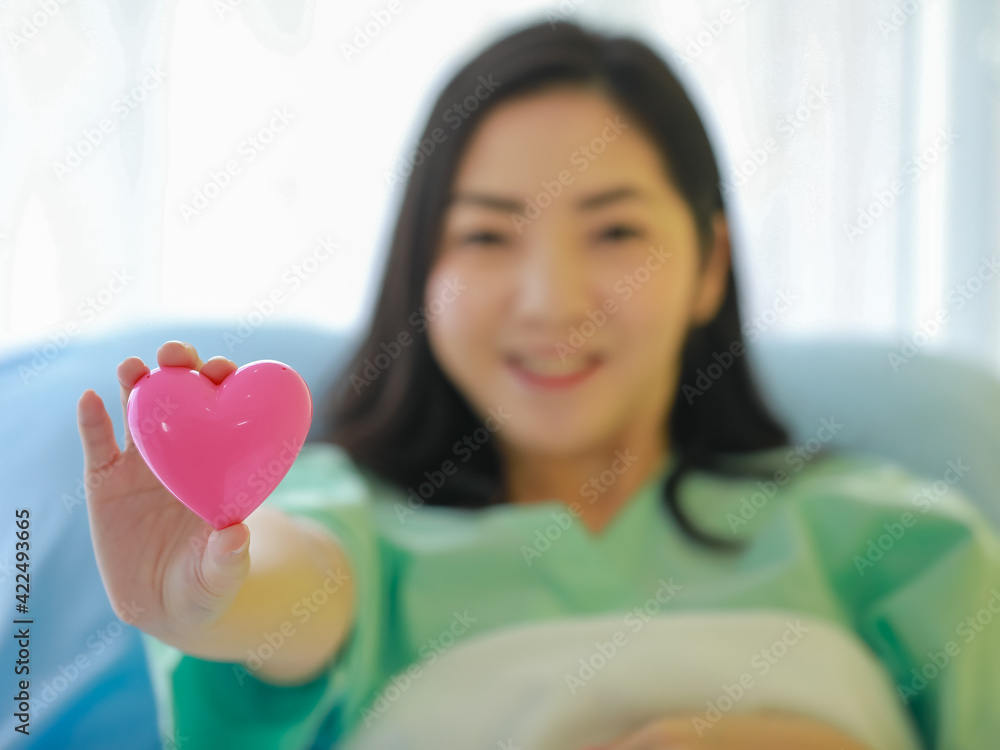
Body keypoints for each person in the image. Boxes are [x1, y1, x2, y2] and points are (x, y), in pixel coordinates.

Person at [76, 19, 1000, 750]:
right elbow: (289, 579)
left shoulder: (900, 540)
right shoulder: (351, 519)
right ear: (421, 272)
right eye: (486, 236)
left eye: (614, 233)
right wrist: (215, 589)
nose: (551, 301)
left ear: (709, 265)